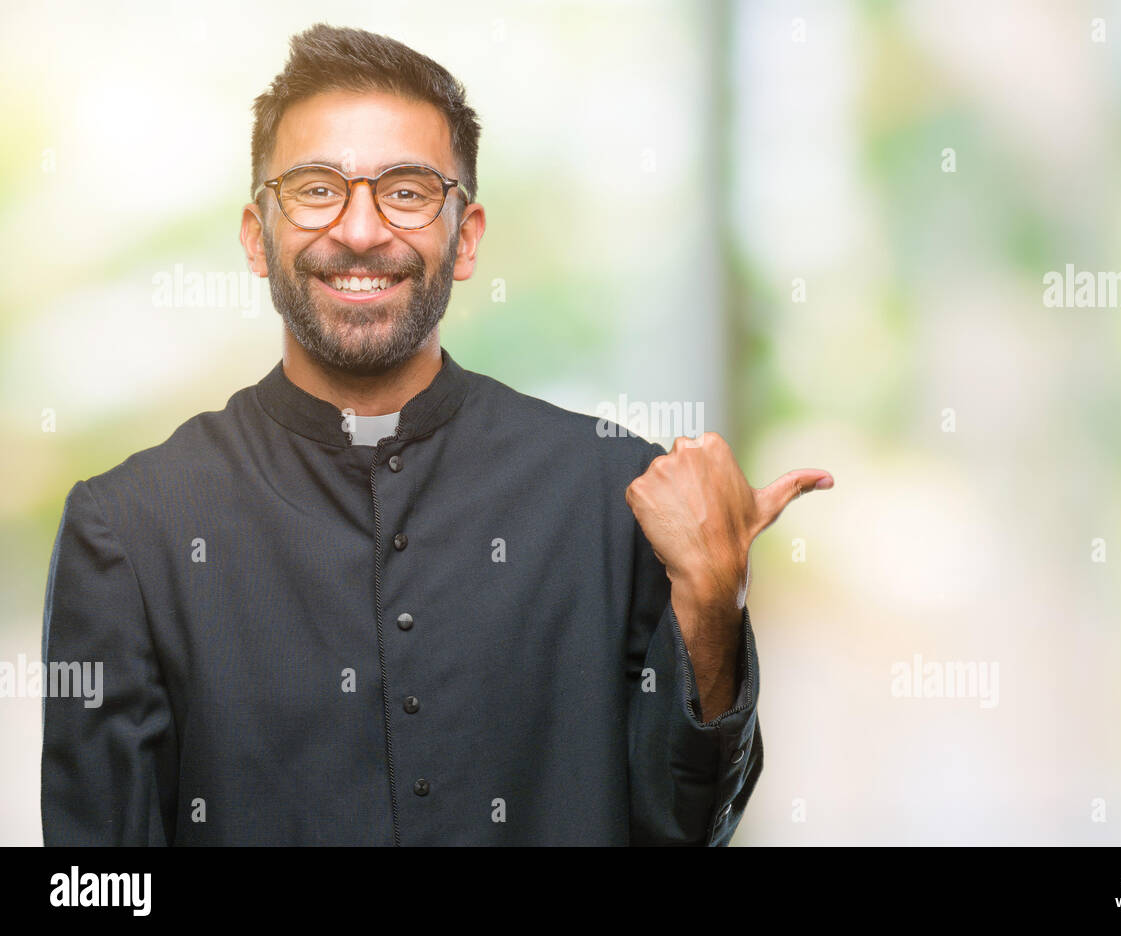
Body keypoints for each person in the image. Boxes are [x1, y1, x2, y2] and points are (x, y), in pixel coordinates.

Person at [40, 23, 832, 846]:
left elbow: (687, 829)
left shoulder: (614, 493)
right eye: (316, 188)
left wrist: (712, 599)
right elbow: (97, 885)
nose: (359, 230)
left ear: (467, 237)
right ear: (255, 235)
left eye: (408, 191)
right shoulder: (129, 528)